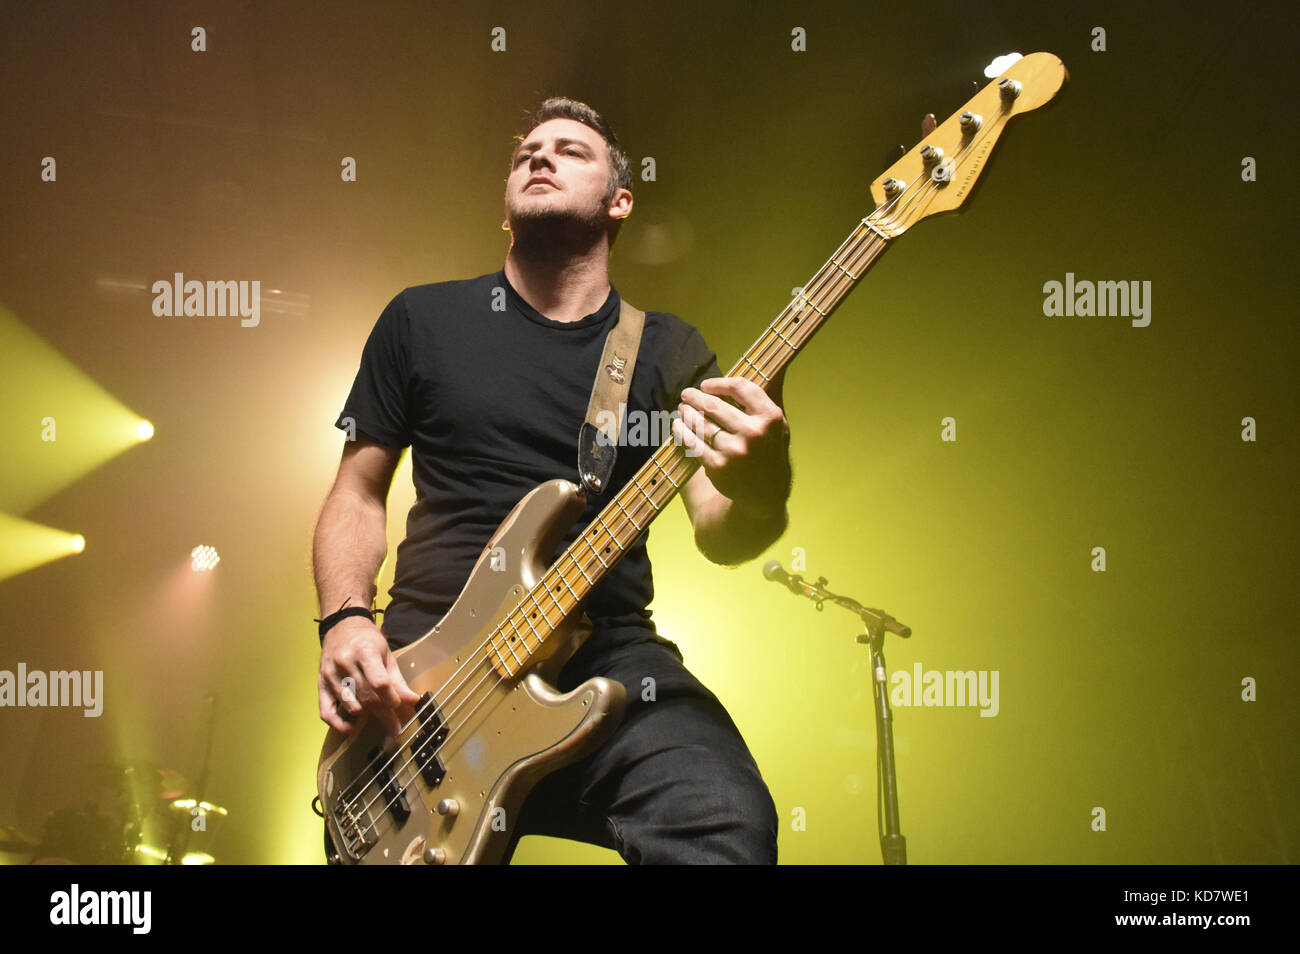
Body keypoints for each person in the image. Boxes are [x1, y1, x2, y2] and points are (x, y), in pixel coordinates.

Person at [312, 97, 792, 864]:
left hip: (606, 655)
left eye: (570, 150)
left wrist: (765, 480)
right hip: (427, 682)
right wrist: (344, 621)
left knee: (724, 820)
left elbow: (721, 530)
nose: (539, 157)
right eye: (526, 151)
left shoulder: (668, 348)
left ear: (619, 201)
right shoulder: (421, 319)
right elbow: (357, 492)